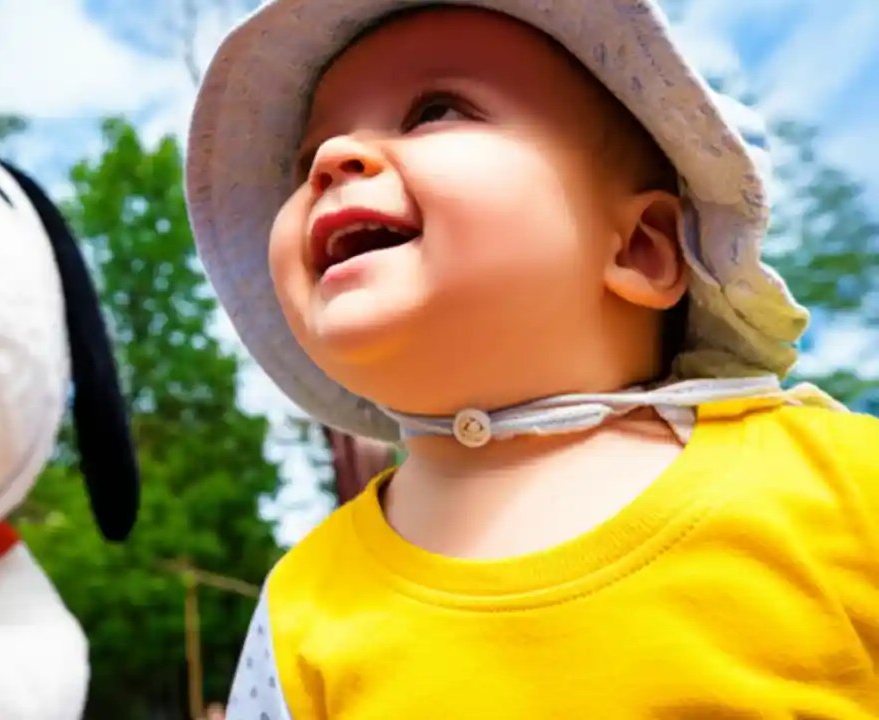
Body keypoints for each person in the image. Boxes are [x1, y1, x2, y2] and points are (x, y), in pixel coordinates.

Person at [183, 1, 879, 717]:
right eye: (307, 160)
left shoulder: (843, 487)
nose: (332, 160)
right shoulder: (303, 603)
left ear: (640, 247)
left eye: (435, 111)